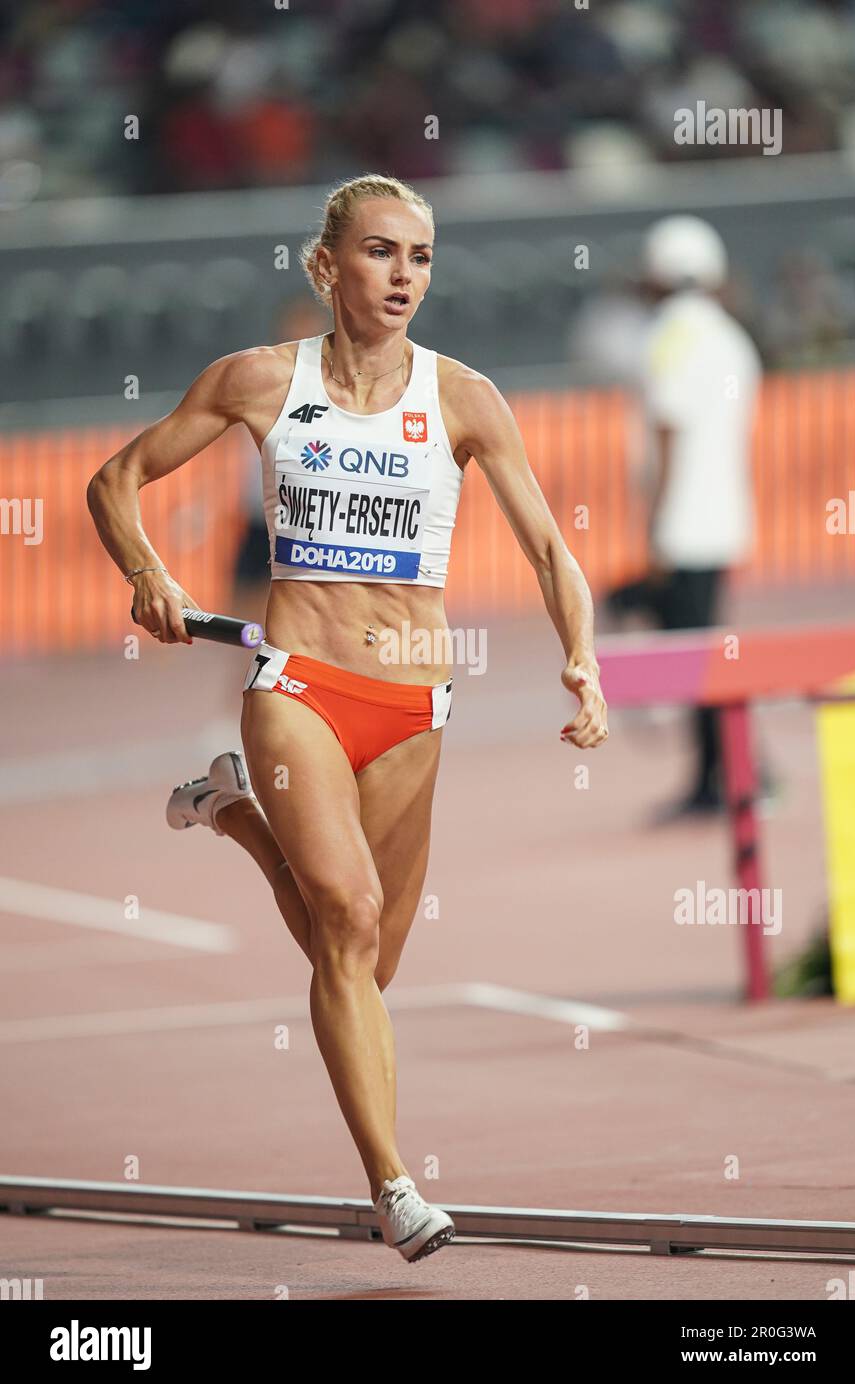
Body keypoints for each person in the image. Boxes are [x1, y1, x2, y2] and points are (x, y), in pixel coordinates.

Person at [86, 173, 608, 1264]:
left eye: (418, 257)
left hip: (413, 702)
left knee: (363, 963)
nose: (402, 276)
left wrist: (581, 658)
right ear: (326, 265)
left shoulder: (464, 397)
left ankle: (230, 813)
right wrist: (148, 573)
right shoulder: (259, 382)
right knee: (348, 914)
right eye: (379, 253)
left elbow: (552, 551)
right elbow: (116, 479)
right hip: (297, 687)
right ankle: (394, 1185)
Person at [614, 215, 763, 821]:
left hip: (684, 521)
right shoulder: (732, 336)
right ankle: (732, 772)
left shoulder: (670, 337)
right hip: (724, 515)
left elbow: (669, 428)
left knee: (693, 654)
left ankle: (728, 777)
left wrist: (654, 523)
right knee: (701, 650)